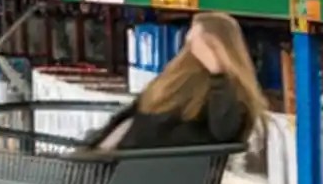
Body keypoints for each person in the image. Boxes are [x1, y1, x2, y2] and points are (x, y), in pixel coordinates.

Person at [89, 12, 267, 150]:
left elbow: (225, 132)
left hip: (134, 177)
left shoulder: (221, 93)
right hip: (153, 179)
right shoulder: (177, 86)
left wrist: (218, 74)